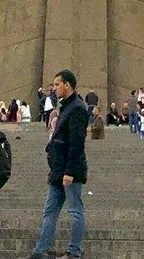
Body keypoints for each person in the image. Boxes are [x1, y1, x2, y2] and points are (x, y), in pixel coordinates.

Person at [32, 68, 89, 259]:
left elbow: (76, 142)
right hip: (57, 170)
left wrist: (70, 171)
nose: (54, 88)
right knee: (49, 211)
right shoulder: (65, 107)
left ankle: (74, 251)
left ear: (67, 85)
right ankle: (41, 251)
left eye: (57, 85)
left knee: (75, 211)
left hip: (69, 170)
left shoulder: (77, 108)